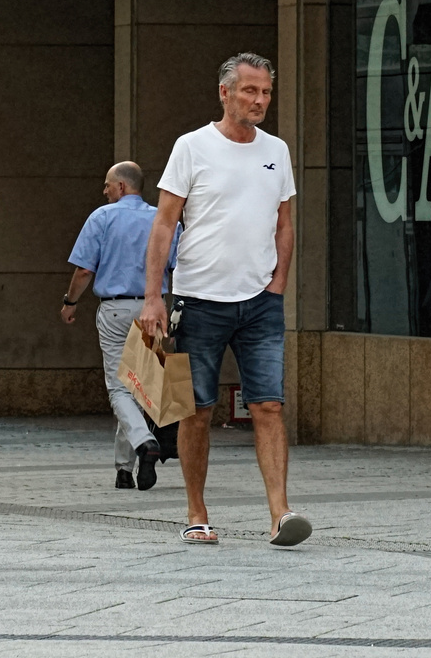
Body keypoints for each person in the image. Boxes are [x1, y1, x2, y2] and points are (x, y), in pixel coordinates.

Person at [137, 52, 307, 547]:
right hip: (199, 301)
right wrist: (154, 297)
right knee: (197, 411)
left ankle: (280, 514)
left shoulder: (276, 150)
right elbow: (164, 224)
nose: (259, 100)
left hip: (260, 304)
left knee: (269, 406)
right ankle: (196, 511)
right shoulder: (192, 147)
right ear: (225, 93)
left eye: (266, 92)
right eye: (250, 91)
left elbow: (285, 224)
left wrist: (277, 285)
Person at [61, 161, 173, 490]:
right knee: (143, 388)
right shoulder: (162, 219)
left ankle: (144, 442)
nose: (105, 190)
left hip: (114, 310)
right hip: (153, 306)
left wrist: (70, 303)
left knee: (120, 388)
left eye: (108, 185)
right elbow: (178, 264)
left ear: (122, 186)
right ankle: (125, 468)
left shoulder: (102, 217)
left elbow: (83, 271)